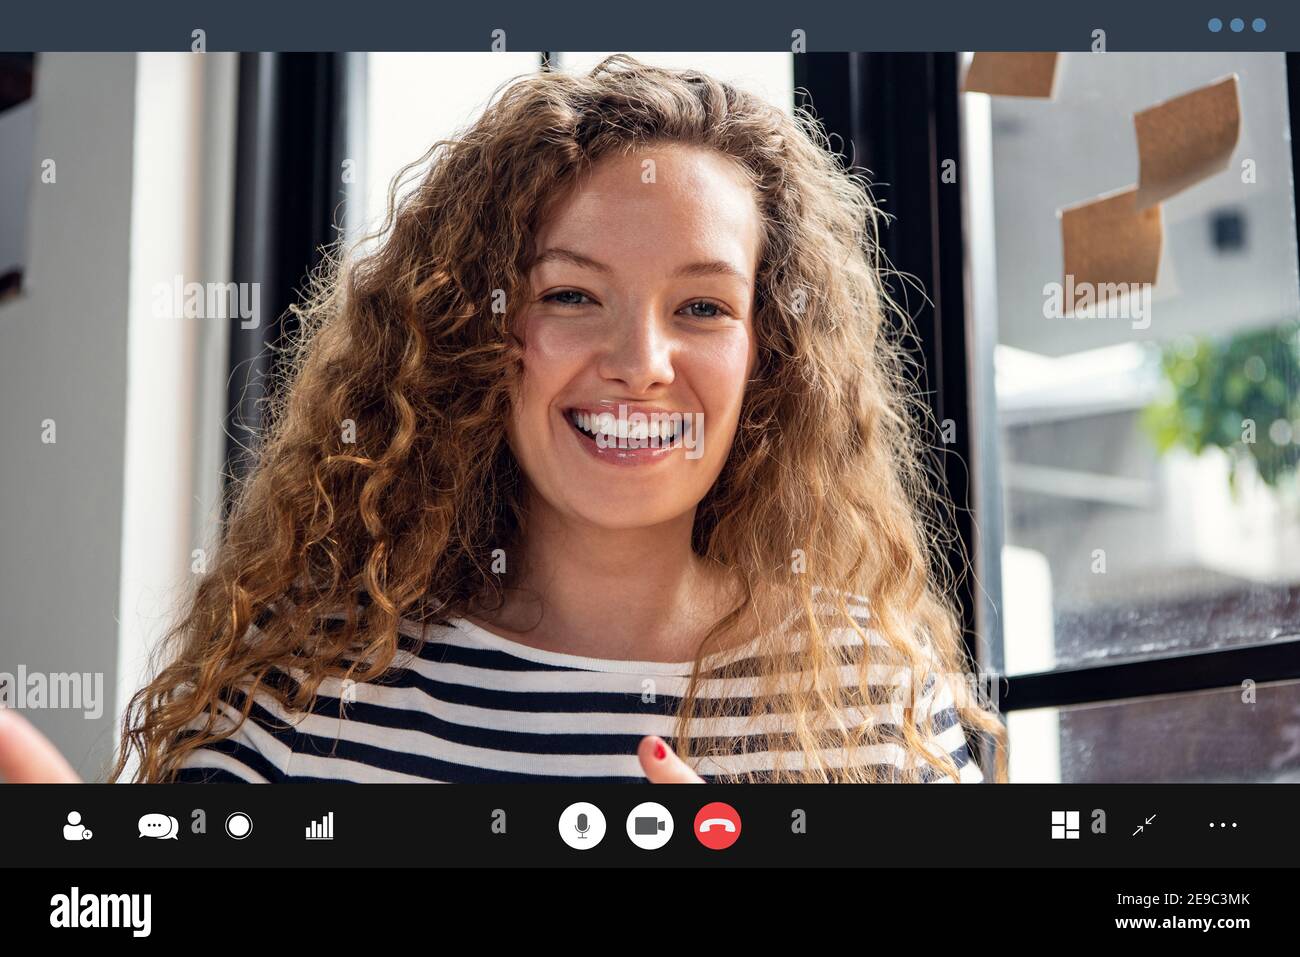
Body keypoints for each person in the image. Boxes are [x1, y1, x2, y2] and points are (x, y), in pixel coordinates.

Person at [0, 55, 1003, 785]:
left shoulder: (881, 702)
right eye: (570, 296)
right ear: (470, 336)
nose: (640, 366)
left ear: (768, 357)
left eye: (702, 307)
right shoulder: (299, 708)